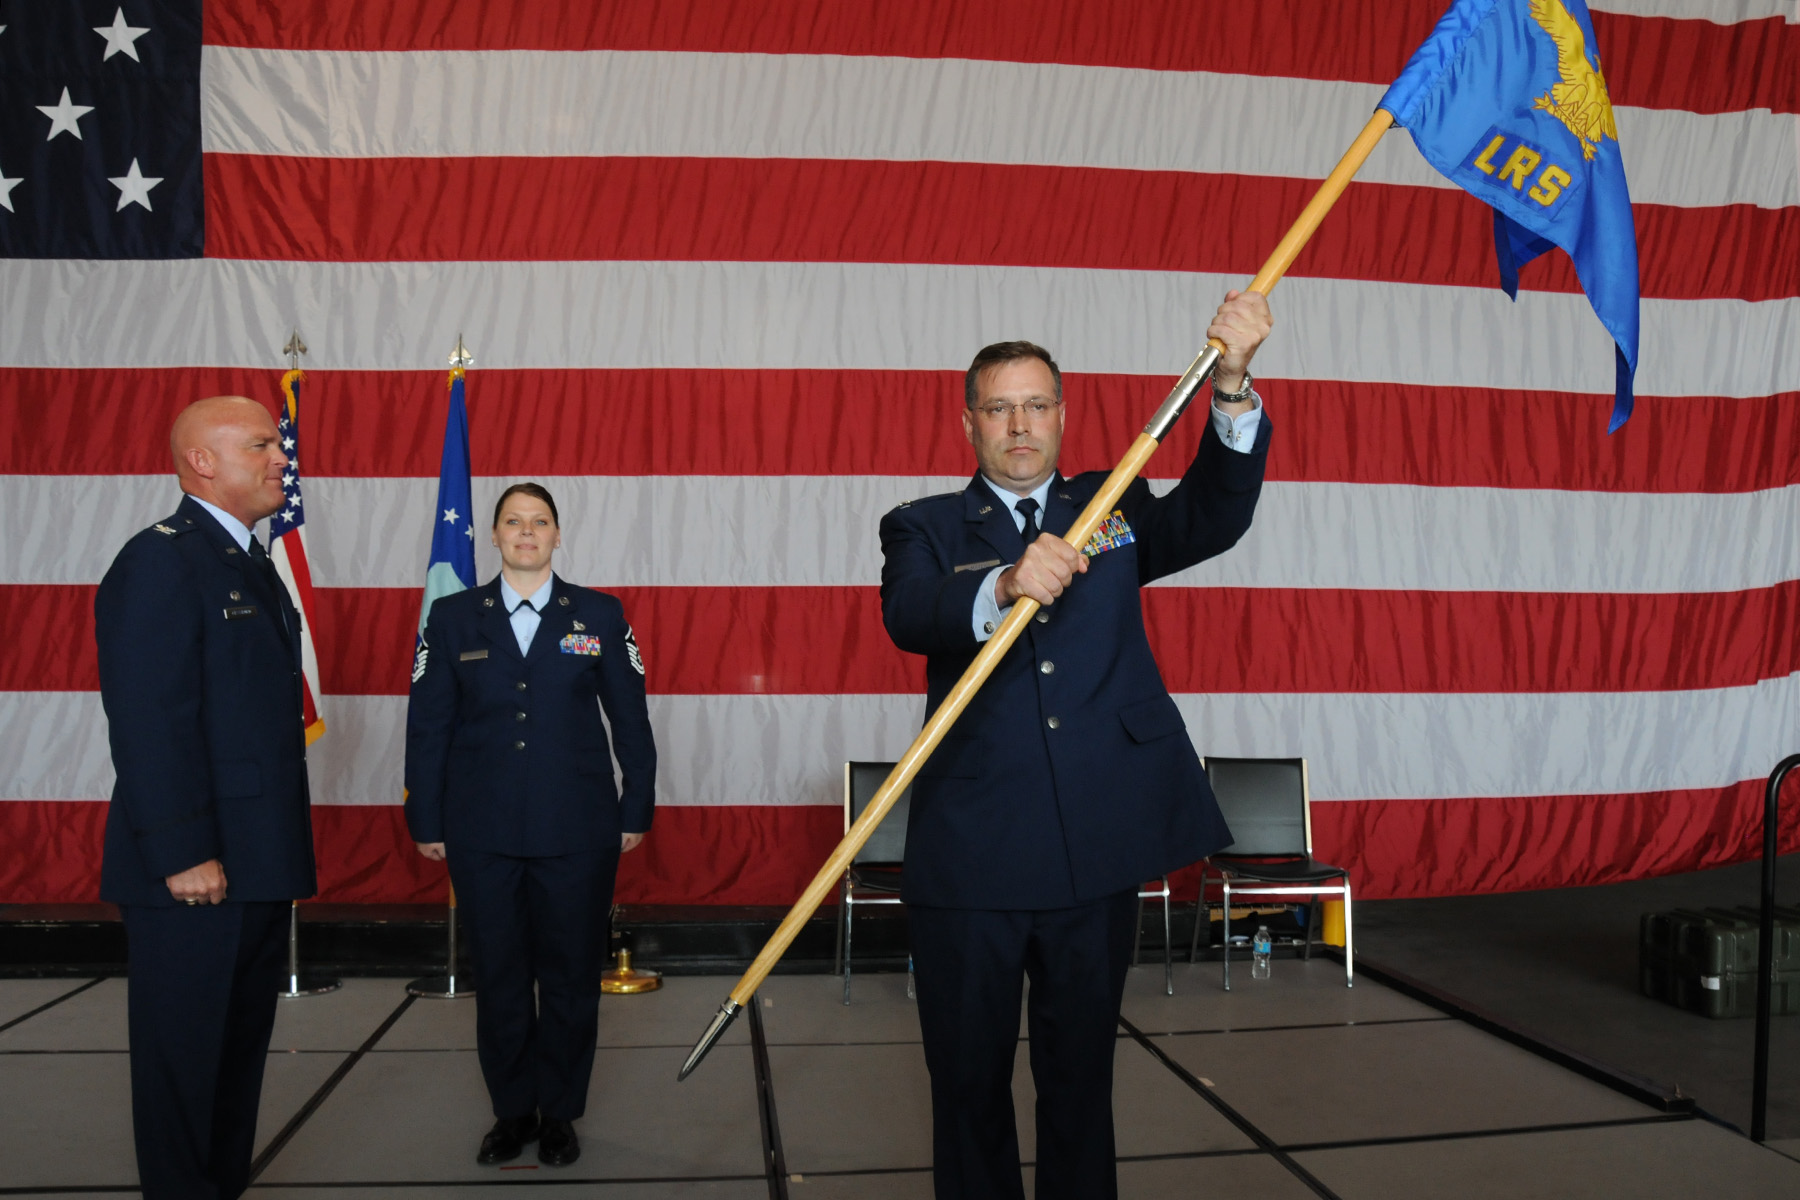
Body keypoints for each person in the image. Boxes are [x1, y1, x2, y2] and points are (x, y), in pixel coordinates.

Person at [879, 291, 1275, 1199]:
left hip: (1095, 851)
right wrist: (1007, 580)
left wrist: (1231, 382)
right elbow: (909, 613)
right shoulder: (924, 525)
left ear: (1063, 413)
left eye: (1037, 405)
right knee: (969, 1087)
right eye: (999, 407)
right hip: (973, 857)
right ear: (969, 421)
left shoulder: (1115, 502)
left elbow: (1215, 514)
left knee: (1078, 1082)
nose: (1020, 425)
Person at [95, 395, 318, 1200]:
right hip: (195, 869)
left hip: (252, 861)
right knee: (184, 1075)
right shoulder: (161, 560)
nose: (280, 460)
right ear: (203, 462)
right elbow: (151, 719)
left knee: (231, 1070)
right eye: (262, 445)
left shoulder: (247, 562)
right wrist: (185, 849)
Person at [405, 482, 656, 1168]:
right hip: (480, 832)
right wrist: (424, 816)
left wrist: (636, 806)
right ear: (493, 536)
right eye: (512, 521)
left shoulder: (600, 615)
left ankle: (561, 1113)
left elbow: (629, 720)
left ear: (556, 534)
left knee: (572, 976)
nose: (525, 531)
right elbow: (428, 727)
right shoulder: (452, 619)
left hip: (577, 830)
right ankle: (512, 1111)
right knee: (502, 976)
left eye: (538, 521)